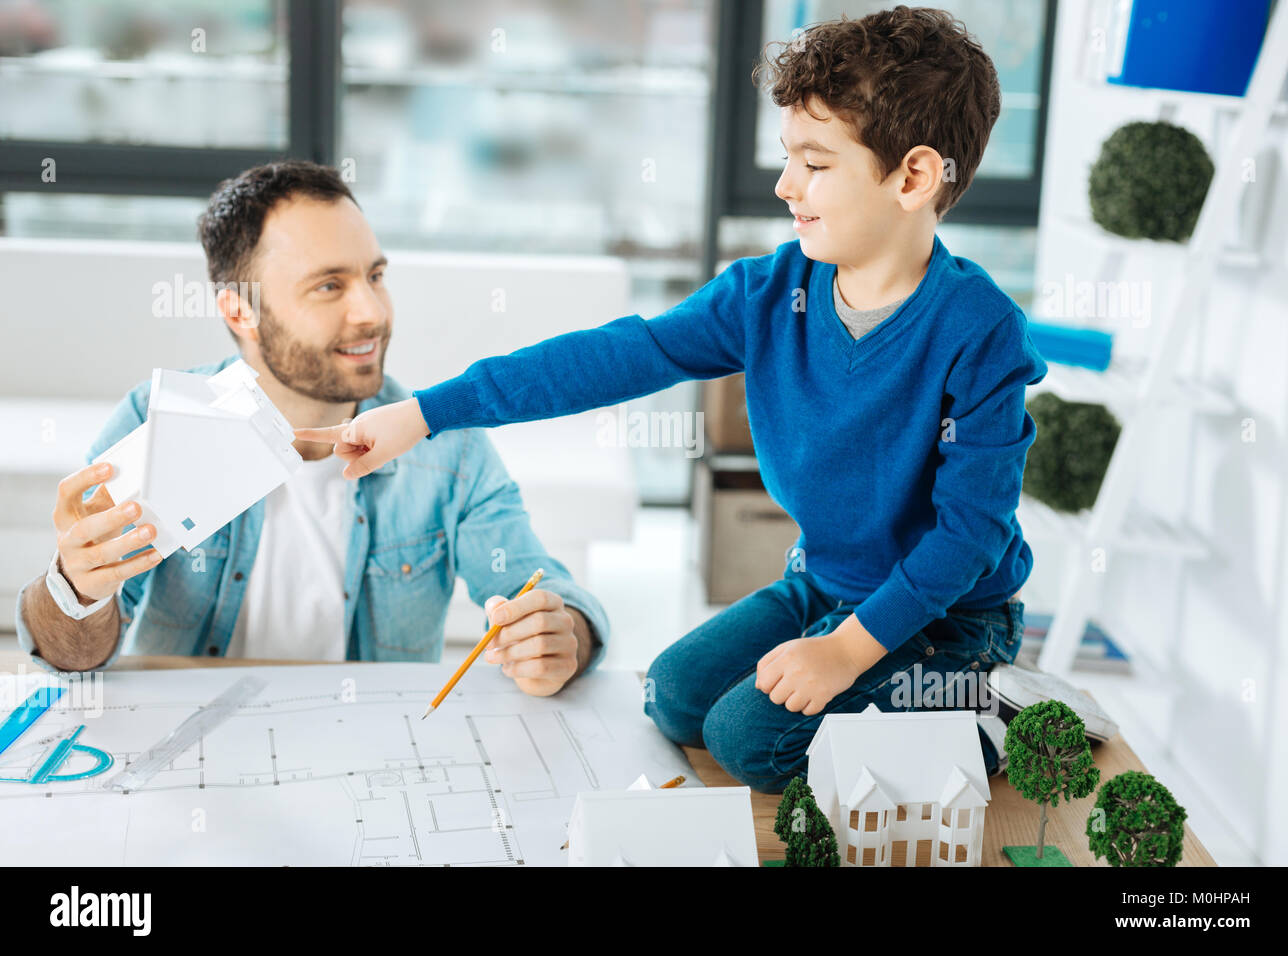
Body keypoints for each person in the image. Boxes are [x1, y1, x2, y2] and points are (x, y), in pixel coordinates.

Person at [297, 9, 1048, 791]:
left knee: (748, 742)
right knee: (673, 696)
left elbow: (970, 536)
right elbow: (611, 358)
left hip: (950, 614)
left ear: (914, 177)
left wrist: (847, 651)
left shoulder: (981, 329)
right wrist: (421, 413)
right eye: (787, 158)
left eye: (816, 164)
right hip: (826, 583)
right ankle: (851, 663)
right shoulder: (768, 294)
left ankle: (994, 714)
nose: (786, 186)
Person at [17, 160, 608, 695]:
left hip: (369, 754)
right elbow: (75, 662)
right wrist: (76, 591)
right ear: (240, 310)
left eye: (375, 276)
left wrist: (561, 634)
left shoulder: (446, 444)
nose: (372, 313)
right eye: (329, 285)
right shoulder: (152, 421)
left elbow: (542, 587)